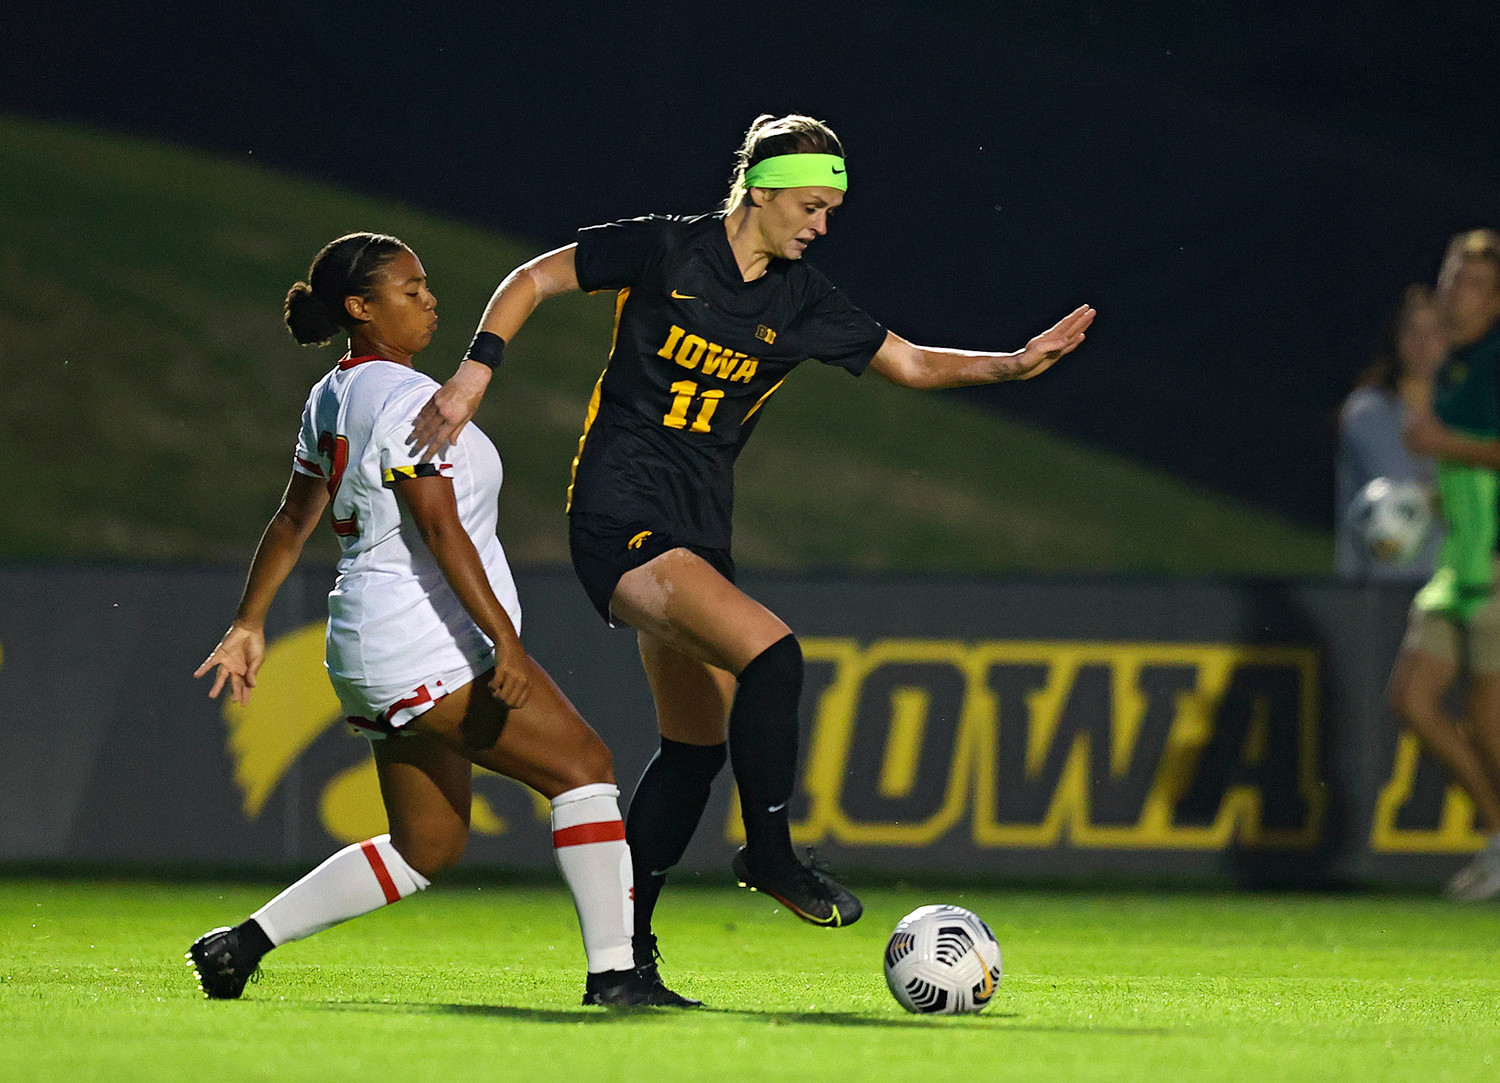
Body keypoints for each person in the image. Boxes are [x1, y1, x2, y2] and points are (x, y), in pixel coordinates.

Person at [407, 114, 1094, 981]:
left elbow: (911, 364)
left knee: (695, 747)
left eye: (831, 210)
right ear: (761, 189)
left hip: (696, 533)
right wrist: (475, 371)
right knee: (773, 653)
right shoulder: (669, 250)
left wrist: (1014, 364)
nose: (821, 222)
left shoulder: (802, 299)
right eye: (811, 203)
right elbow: (535, 277)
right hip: (619, 518)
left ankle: (627, 958)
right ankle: (769, 852)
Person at [188, 232, 693, 1007]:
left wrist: (249, 622)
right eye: (409, 289)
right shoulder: (406, 400)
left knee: (428, 845)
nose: (430, 301)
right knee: (584, 767)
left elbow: (294, 519)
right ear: (360, 308)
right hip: (423, 638)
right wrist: (507, 643)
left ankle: (240, 944)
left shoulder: (333, 394)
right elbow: (440, 528)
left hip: (367, 645)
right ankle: (617, 977)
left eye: (426, 286)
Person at [1387, 228, 1500, 901]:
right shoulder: (1457, 364)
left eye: (1477, 283)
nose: (1460, 291)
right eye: (1454, 276)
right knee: (1412, 699)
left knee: (1487, 720)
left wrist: (1443, 443)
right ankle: (1496, 832)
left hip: (1494, 558)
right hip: (1459, 561)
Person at [1334, 287, 1445, 581]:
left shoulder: (1470, 416)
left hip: (1451, 592)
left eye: (1434, 332)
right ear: (1396, 337)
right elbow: (1398, 488)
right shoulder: (1367, 413)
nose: (1422, 344)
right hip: (1381, 587)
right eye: (1413, 331)